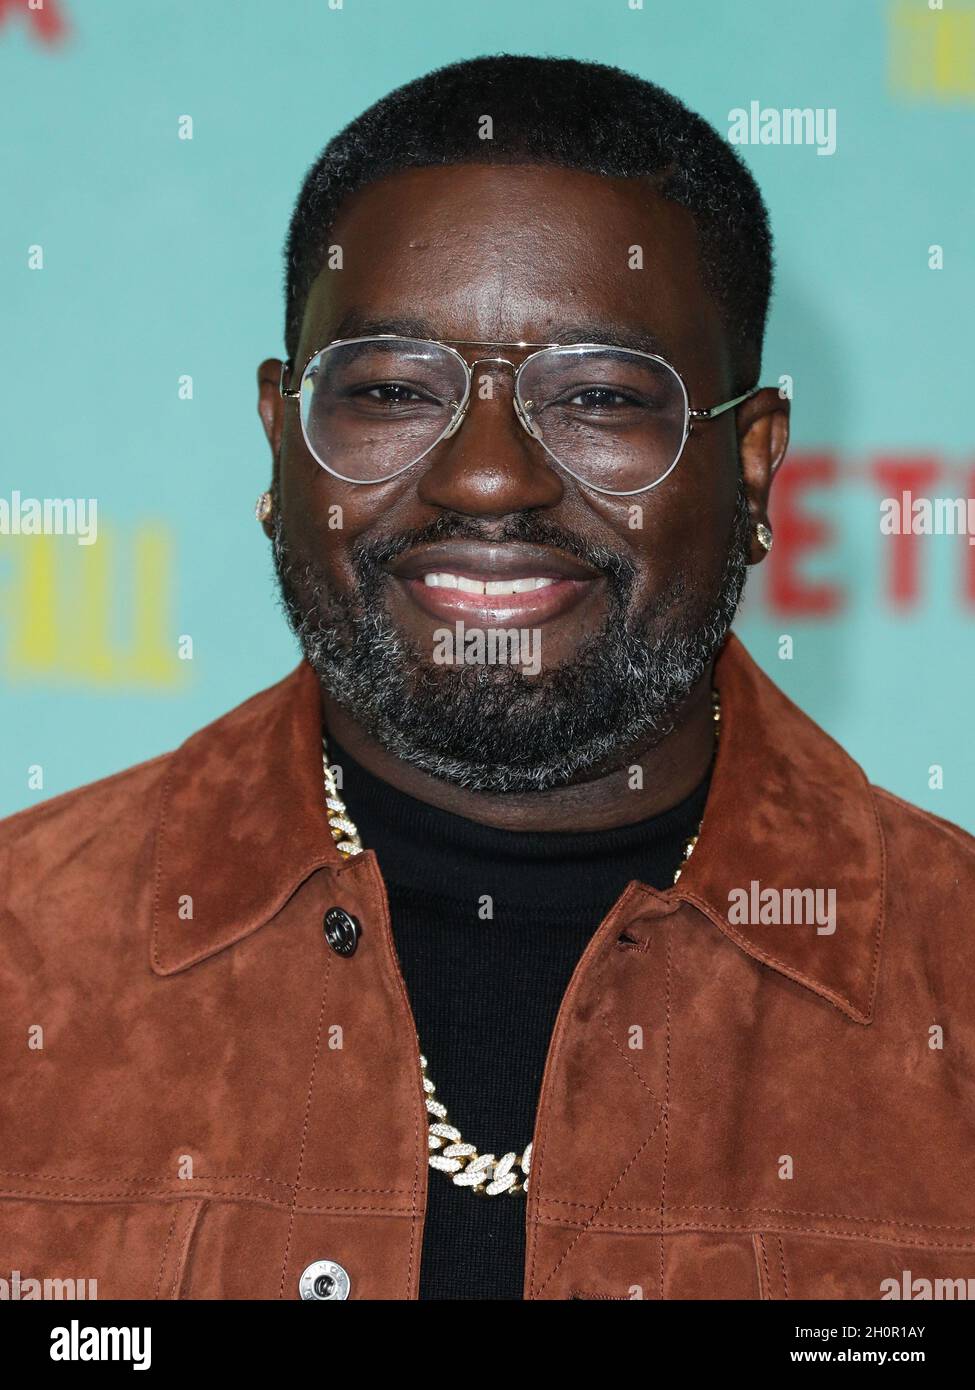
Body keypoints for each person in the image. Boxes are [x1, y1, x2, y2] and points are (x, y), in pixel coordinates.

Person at [2, 55, 973, 1303]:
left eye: (603, 396)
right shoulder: (33, 955)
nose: (487, 478)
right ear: (280, 438)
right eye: (397, 391)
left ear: (752, 465)